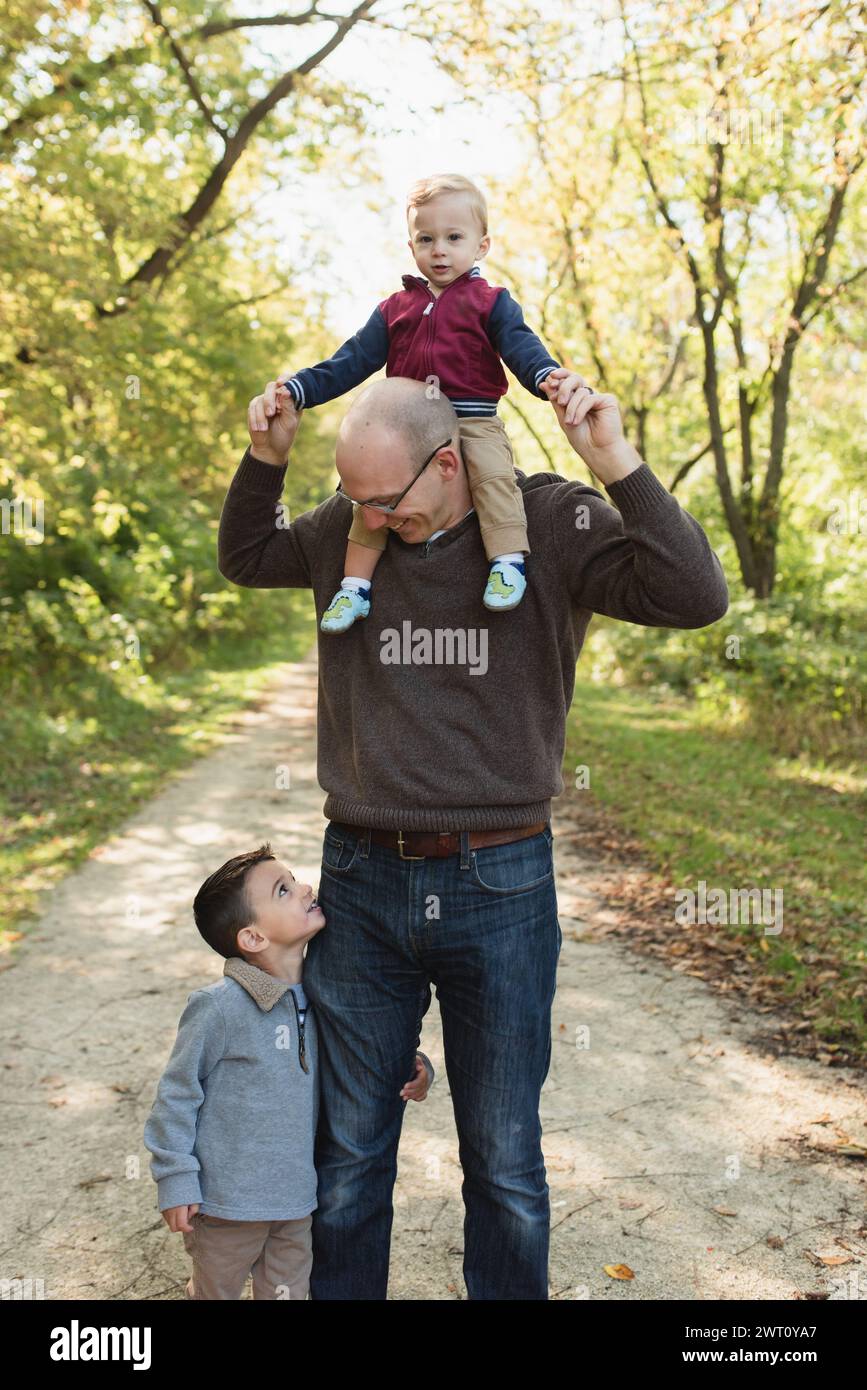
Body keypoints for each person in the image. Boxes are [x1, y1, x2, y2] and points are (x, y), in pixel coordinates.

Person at [217, 369, 729, 1300]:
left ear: (447, 462)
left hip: (502, 885)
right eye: (352, 498)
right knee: (348, 1153)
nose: (367, 518)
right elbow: (248, 556)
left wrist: (615, 462)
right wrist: (265, 460)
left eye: (384, 499)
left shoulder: (549, 524)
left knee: (503, 1161)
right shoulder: (352, 526)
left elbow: (693, 595)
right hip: (361, 879)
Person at [280, 172, 571, 631]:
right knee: (373, 505)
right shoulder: (395, 309)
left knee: (494, 478)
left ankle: (507, 563)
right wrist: (300, 389)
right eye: (426, 238)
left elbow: (521, 347)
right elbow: (350, 361)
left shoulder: (490, 302)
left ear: (481, 246)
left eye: (454, 237)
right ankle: (354, 589)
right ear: (412, 246)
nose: (440, 249)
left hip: (473, 419)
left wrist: (547, 377)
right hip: (412, 429)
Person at [143, 842, 433, 1300]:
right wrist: (175, 1177)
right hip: (226, 1204)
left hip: (297, 1201)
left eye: (294, 878)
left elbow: (360, 1053)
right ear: (254, 938)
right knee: (216, 1292)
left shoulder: (324, 995)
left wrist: (414, 1065)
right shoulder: (219, 1008)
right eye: (283, 890)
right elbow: (177, 1095)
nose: (305, 888)